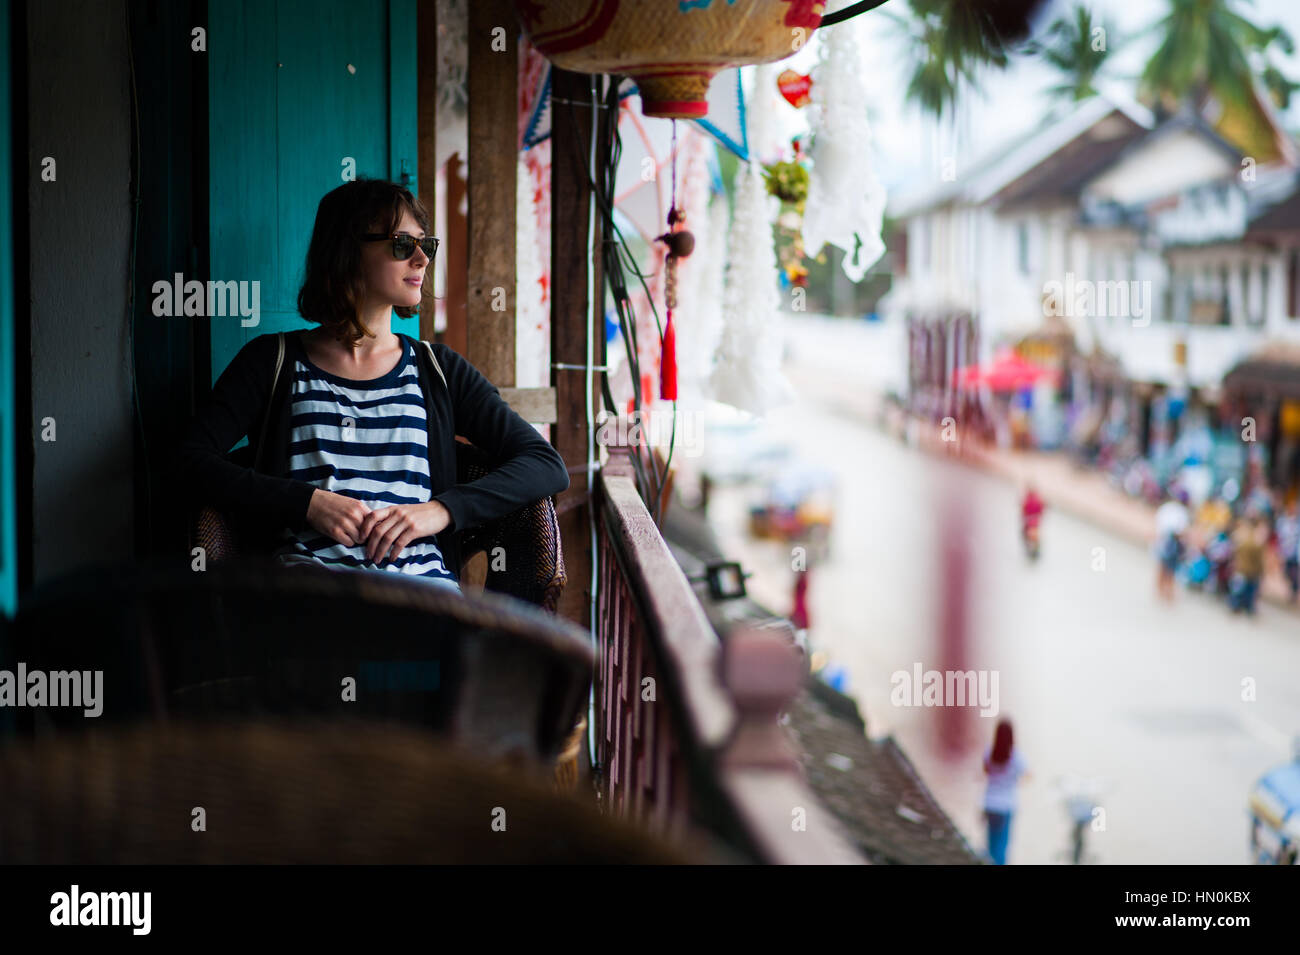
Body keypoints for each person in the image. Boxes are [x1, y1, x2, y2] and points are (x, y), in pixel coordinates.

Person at [177, 178, 569, 592]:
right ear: (348, 251)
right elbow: (188, 458)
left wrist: (440, 510)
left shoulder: (438, 369)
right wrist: (305, 503)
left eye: (426, 245)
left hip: (425, 598)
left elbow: (545, 464)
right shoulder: (273, 361)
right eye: (402, 244)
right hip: (306, 597)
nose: (420, 259)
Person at [982, 719, 1029, 865]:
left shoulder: (989, 752)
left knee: (991, 846)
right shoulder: (1016, 757)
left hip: (989, 803)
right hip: (1006, 805)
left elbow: (986, 770)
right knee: (1002, 849)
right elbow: (1027, 776)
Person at [1153, 488, 1190, 600]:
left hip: (1163, 541)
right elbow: (1181, 530)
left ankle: (1161, 591)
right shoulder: (1180, 512)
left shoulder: (1167, 508)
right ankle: (1166, 593)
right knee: (1169, 570)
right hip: (1171, 543)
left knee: (1163, 567)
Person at [1229, 514, 1267, 615]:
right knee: (1248, 591)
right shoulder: (1256, 540)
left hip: (1242, 569)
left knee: (1238, 590)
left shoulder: (1241, 536)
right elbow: (1259, 559)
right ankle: (1246, 607)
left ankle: (1236, 606)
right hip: (1250, 571)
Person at [1275, 498, 1300, 603]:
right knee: (1286, 572)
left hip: (1294, 553)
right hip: (1286, 552)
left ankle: (1294, 591)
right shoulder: (1283, 522)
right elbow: (1280, 536)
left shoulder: (1297, 524)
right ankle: (1291, 588)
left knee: (1294, 573)